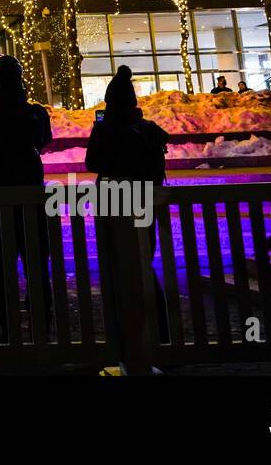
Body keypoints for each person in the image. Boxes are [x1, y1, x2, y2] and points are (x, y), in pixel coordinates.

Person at [0, 55, 53, 339]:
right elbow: (43, 140)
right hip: (30, 190)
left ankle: (5, 319)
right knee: (36, 259)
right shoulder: (36, 114)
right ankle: (42, 317)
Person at [85, 65, 170, 344]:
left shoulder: (107, 129)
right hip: (145, 201)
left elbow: (93, 163)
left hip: (114, 202)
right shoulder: (149, 131)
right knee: (143, 264)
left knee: (120, 267)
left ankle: (130, 336)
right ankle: (158, 332)